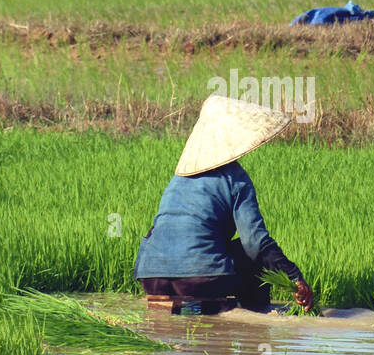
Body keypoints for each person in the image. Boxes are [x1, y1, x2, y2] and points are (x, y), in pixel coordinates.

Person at [134, 94, 313, 312]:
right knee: (253, 257)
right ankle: (256, 328)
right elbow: (256, 243)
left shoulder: (178, 179)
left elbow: (157, 231)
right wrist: (295, 277)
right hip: (200, 278)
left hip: (150, 276)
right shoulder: (235, 179)